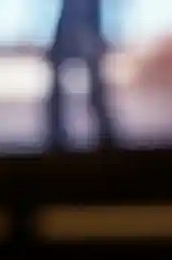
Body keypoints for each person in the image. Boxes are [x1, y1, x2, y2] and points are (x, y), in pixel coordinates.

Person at [48, 0, 115, 151]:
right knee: (61, 87)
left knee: (95, 86)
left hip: (83, 27)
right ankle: (57, 135)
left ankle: (106, 135)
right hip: (72, 27)